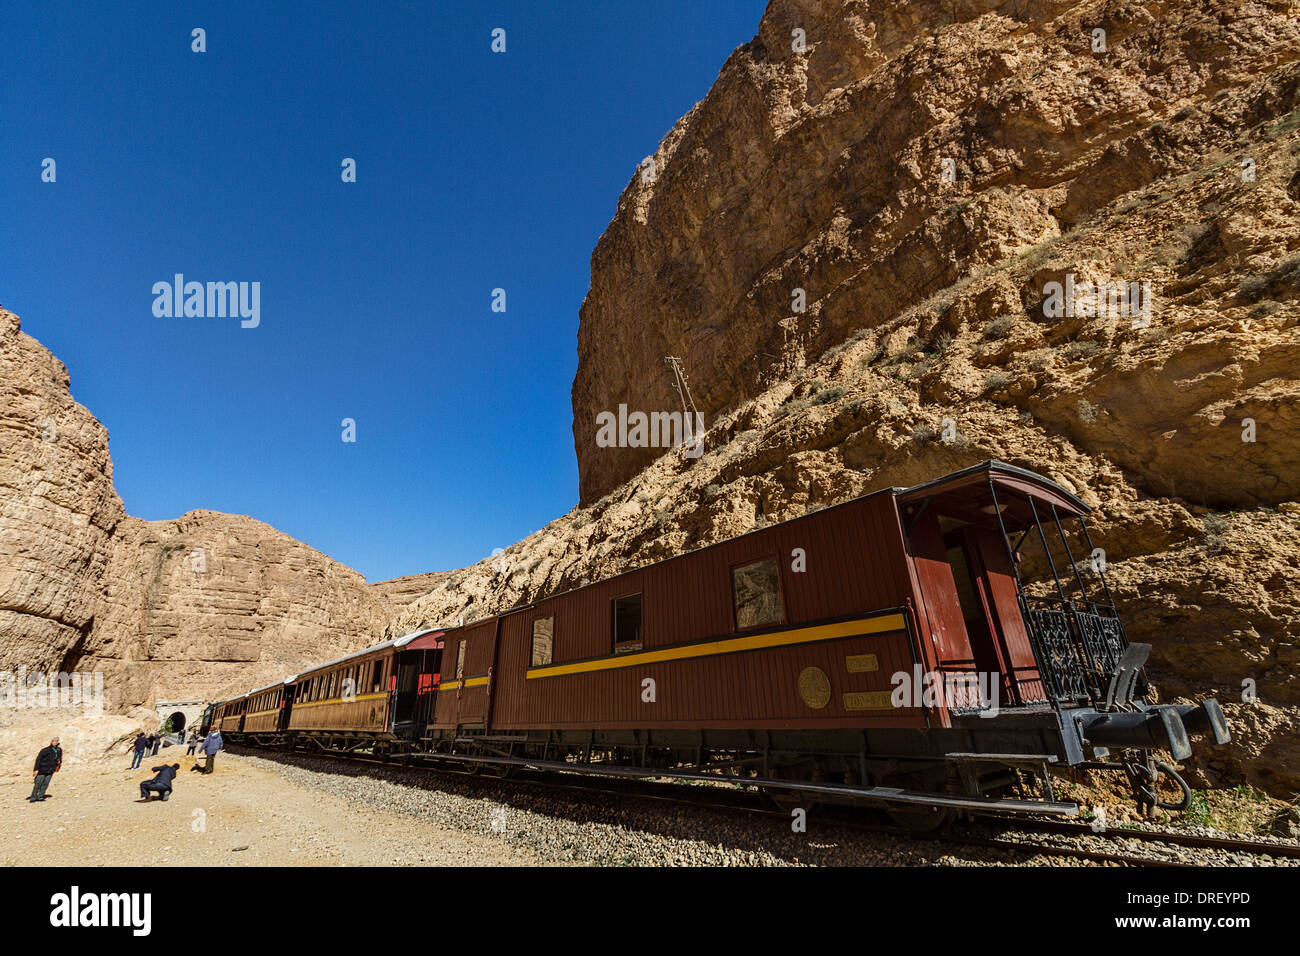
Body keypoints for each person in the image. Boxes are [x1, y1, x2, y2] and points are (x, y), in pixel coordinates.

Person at [29, 737, 63, 802]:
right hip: (42, 769)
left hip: (51, 769)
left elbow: (60, 758)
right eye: (54, 741)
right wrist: (36, 769)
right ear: (51, 742)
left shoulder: (59, 750)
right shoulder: (45, 750)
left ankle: (40, 796)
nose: (55, 742)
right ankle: (33, 797)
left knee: (46, 783)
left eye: (56, 741)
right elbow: (38, 759)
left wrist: (58, 766)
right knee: (38, 783)